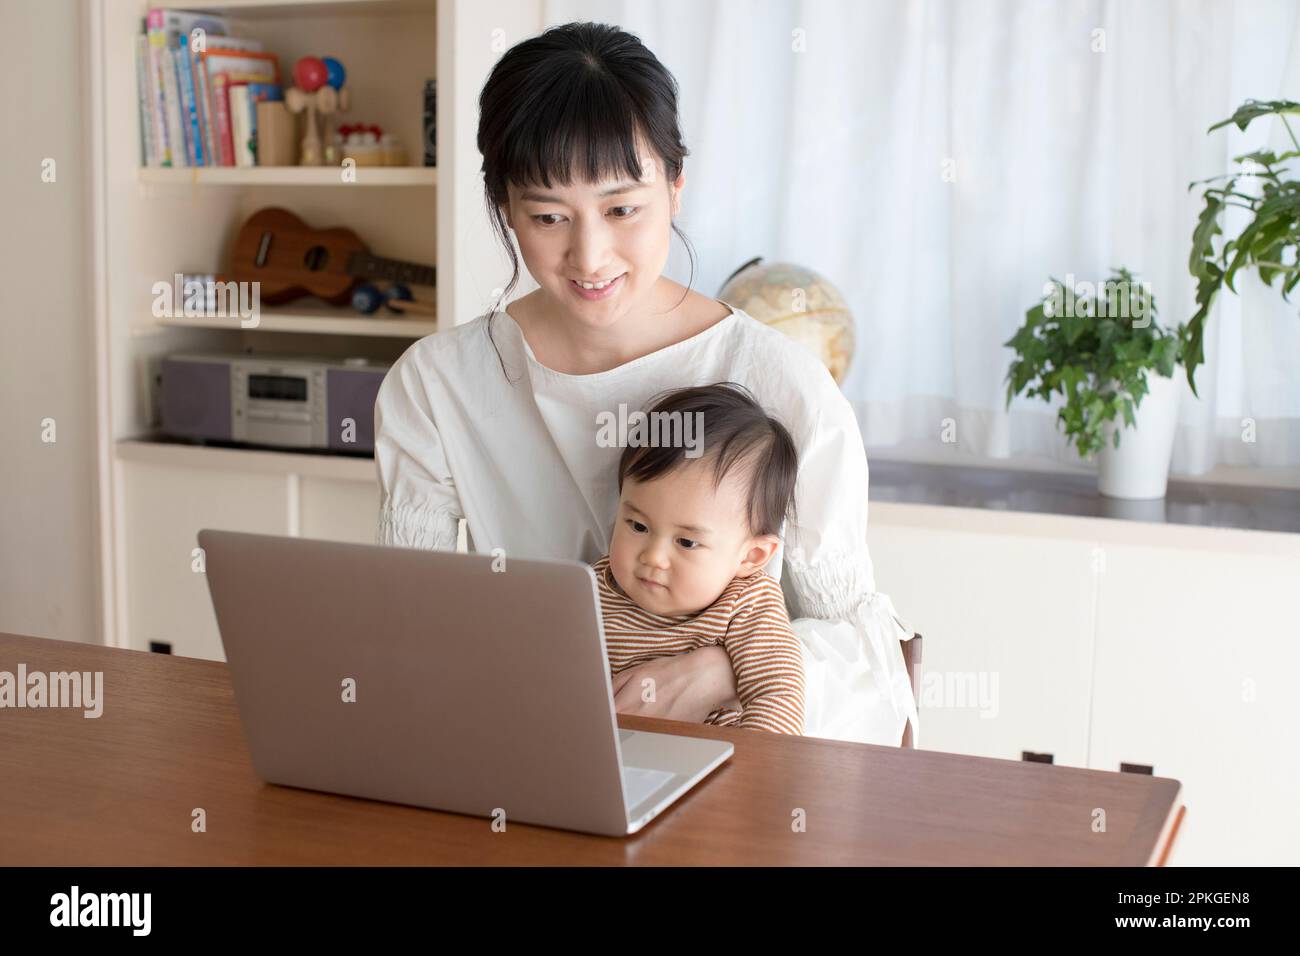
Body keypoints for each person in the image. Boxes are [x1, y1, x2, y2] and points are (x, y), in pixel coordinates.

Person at [373, 20, 919, 745]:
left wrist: (723, 668)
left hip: (738, 783)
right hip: (532, 763)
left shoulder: (784, 386)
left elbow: (871, 660)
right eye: (546, 216)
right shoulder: (436, 386)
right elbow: (416, 627)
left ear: (676, 186)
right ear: (504, 209)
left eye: (623, 208)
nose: (590, 256)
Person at [595, 383, 804, 735]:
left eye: (687, 542)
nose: (654, 557)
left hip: (711, 769)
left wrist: (751, 777)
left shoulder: (746, 604)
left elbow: (778, 695)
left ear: (751, 556)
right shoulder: (593, 587)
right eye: (637, 525)